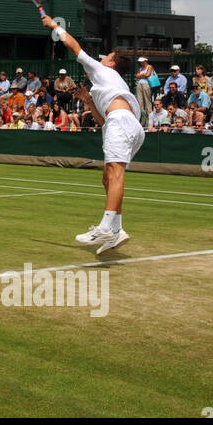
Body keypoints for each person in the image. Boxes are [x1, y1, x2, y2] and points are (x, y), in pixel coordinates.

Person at [41, 14, 141, 254]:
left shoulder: (103, 71)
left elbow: (74, 47)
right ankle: (117, 229)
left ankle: (105, 227)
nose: (102, 57)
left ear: (112, 63)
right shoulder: (111, 84)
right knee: (107, 177)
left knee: (115, 175)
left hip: (121, 123)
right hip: (125, 125)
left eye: (107, 56)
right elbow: (101, 120)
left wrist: (55, 26)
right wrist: (88, 101)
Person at [135, 58, 156, 123]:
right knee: (140, 101)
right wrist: (143, 75)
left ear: (145, 61)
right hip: (139, 84)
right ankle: (141, 117)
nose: (141, 63)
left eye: (142, 61)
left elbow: (148, 75)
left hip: (147, 84)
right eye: (140, 62)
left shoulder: (150, 66)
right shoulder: (141, 68)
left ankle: (150, 118)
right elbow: (137, 76)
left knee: (147, 101)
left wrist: (141, 75)